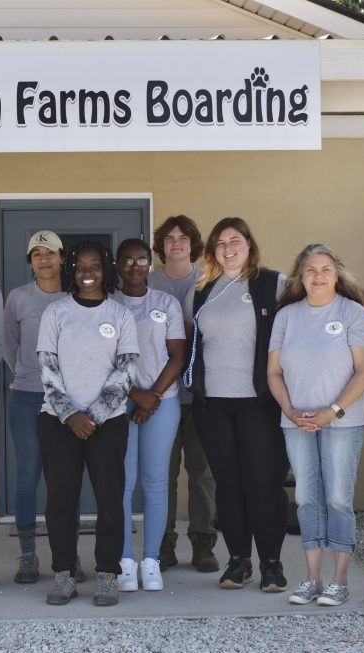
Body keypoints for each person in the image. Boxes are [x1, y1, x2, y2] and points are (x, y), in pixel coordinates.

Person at [182, 216, 290, 592]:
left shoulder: (274, 284)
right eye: (220, 243)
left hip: (259, 402)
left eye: (235, 241)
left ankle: (272, 565)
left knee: (262, 483)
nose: (228, 249)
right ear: (213, 250)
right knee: (227, 485)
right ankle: (239, 561)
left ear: (249, 244)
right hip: (213, 405)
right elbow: (191, 343)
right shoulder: (201, 289)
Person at [267, 243, 364, 607]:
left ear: (337, 273)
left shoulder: (353, 312)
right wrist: (290, 409)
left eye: (325, 268)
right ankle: (312, 580)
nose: (318, 275)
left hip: (342, 422)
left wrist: (333, 411)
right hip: (296, 421)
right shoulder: (287, 316)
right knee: (306, 498)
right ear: (301, 276)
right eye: (310, 269)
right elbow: (274, 372)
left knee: (336, 499)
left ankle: (339, 580)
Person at [36, 241, 138, 606]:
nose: (88, 271)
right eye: (80, 265)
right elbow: (47, 369)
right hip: (58, 421)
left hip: (107, 423)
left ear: (107, 269)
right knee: (61, 500)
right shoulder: (56, 313)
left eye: (95, 265)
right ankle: (64, 573)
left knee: (110, 499)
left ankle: (108, 574)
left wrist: (91, 416)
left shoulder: (121, 316)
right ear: (71, 270)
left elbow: (125, 371)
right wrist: (70, 414)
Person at [3, 230, 89, 584]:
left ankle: (67, 557)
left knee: (65, 481)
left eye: (50, 252)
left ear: (62, 257)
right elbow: (9, 345)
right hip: (26, 397)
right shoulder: (18, 298)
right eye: (36, 254)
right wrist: (30, 376)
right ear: (30, 262)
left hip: (68, 402)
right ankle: (27, 556)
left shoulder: (76, 297)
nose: (44, 260)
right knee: (26, 478)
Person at [114, 238, 186, 592]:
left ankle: (152, 560)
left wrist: (153, 395)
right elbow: (101, 358)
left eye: (141, 260)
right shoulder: (107, 304)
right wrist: (134, 395)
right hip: (118, 401)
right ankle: (126, 560)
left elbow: (177, 354)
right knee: (122, 484)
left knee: (156, 483)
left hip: (162, 400)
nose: (134, 266)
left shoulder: (166, 303)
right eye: (126, 260)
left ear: (150, 264)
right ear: (117, 266)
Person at [148, 215, 219, 573]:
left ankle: (203, 541)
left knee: (202, 472)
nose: (176, 243)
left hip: (202, 394)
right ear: (161, 246)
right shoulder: (146, 283)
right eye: (170, 238)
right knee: (163, 472)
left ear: (193, 244)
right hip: (160, 396)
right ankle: (163, 542)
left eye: (183, 238)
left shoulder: (209, 282)